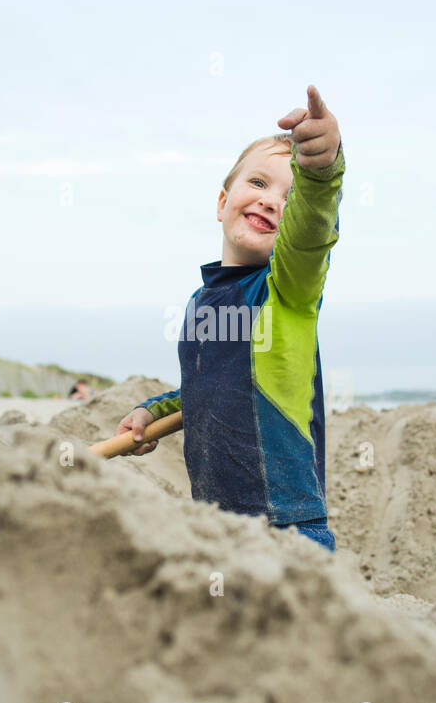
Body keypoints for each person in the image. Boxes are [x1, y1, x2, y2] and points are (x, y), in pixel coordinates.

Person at [115, 85, 344, 552]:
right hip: (215, 526)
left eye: (289, 195)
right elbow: (208, 386)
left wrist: (320, 176)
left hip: (285, 527)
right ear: (223, 202)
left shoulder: (287, 289)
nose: (271, 200)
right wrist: (152, 410)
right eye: (258, 184)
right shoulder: (201, 302)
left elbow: (311, 232)